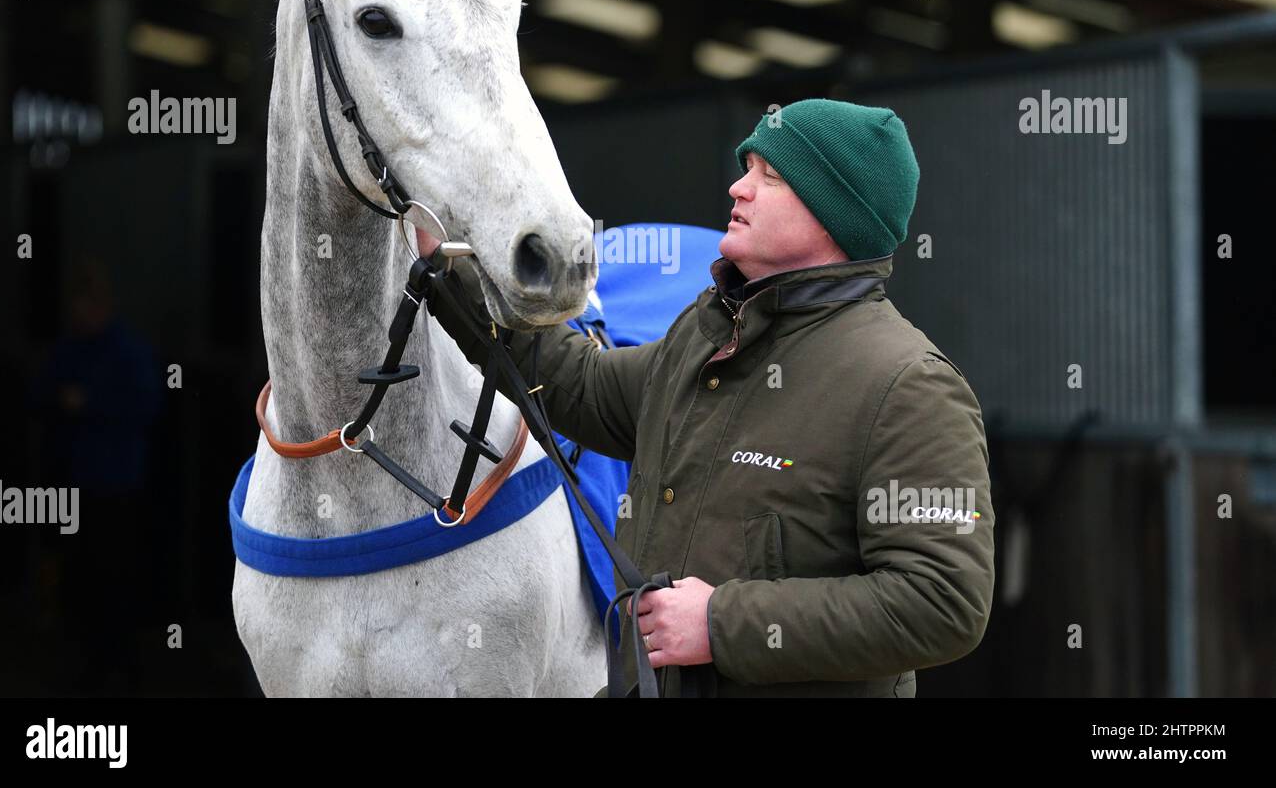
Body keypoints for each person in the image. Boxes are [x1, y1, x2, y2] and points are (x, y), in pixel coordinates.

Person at [420, 98, 995, 697]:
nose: (738, 188)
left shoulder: (910, 386)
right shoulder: (706, 335)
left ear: (834, 213)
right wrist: (445, 266)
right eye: (747, 168)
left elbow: (942, 601)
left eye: (769, 176)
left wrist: (719, 624)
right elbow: (583, 388)